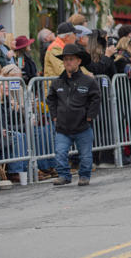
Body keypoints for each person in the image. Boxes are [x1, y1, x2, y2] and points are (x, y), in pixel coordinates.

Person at [46, 44, 101, 186]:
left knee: (86, 155)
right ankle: (64, 175)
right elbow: (50, 98)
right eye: (65, 59)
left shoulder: (88, 81)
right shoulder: (57, 82)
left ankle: (84, 176)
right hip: (63, 126)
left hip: (83, 126)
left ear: (79, 61)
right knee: (60, 152)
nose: (68, 62)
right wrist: (54, 115)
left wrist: (90, 116)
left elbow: (96, 98)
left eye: (71, 59)